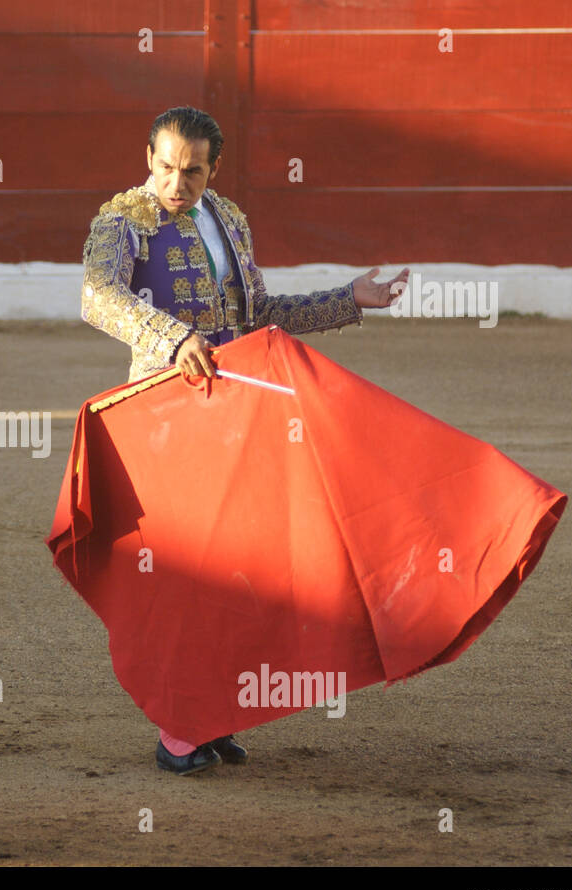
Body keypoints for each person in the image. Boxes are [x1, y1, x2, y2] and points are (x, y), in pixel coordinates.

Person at [80, 105, 408, 775]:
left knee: (238, 574)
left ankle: (214, 714)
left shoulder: (227, 219)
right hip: (166, 420)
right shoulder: (122, 221)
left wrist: (350, 299)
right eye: (167, 167)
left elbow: (260, 316)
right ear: (149, 158)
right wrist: (172, 337)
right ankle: (179, 726)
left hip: (236, 417)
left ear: (214, 169)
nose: (177, 183)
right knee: (186, 579)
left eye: (193, 171)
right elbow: (96, 297)